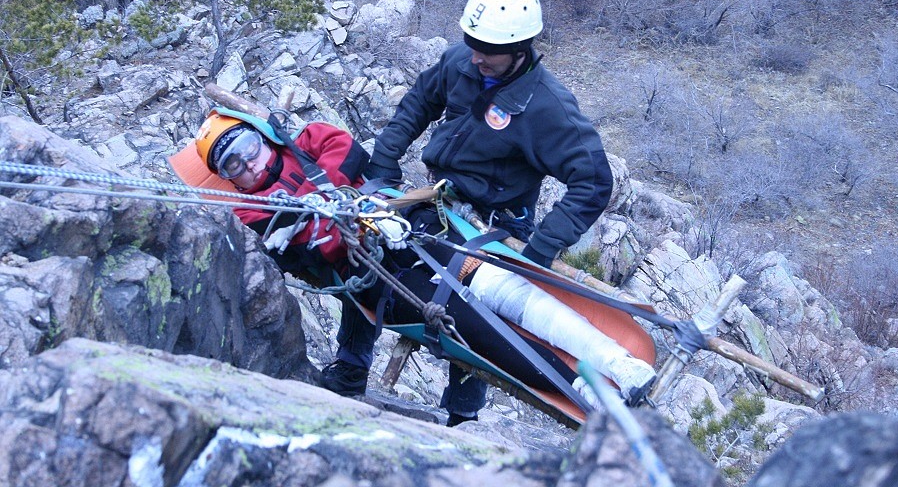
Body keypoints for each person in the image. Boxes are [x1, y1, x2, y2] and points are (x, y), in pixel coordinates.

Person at [189, 107, 657, 424]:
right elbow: (318, 249)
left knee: (503, 286)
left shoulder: (306, 140)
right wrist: (337, 208)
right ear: (227, 178)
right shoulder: (251, 210)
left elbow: (351, 153)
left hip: (410, 221)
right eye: (232, 165)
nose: (248, 165)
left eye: (248, 148)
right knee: (469, 327)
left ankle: (618, 363)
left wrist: (337, 202)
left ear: (262, 137)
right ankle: (590, 391)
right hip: (375, 276)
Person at [357, 0, 655, 425]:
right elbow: (417, 104)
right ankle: (349, 367)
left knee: (480, 308)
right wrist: (383, 168)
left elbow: (592, 181)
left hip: (496, 226)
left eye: (487, 50)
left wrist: (537, 254)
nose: (476, 57)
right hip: (434, 202)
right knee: (370, 251)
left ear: (521, 48)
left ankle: (462, 414)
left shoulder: (547, 108)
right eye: (471, 43)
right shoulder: (465, 64)